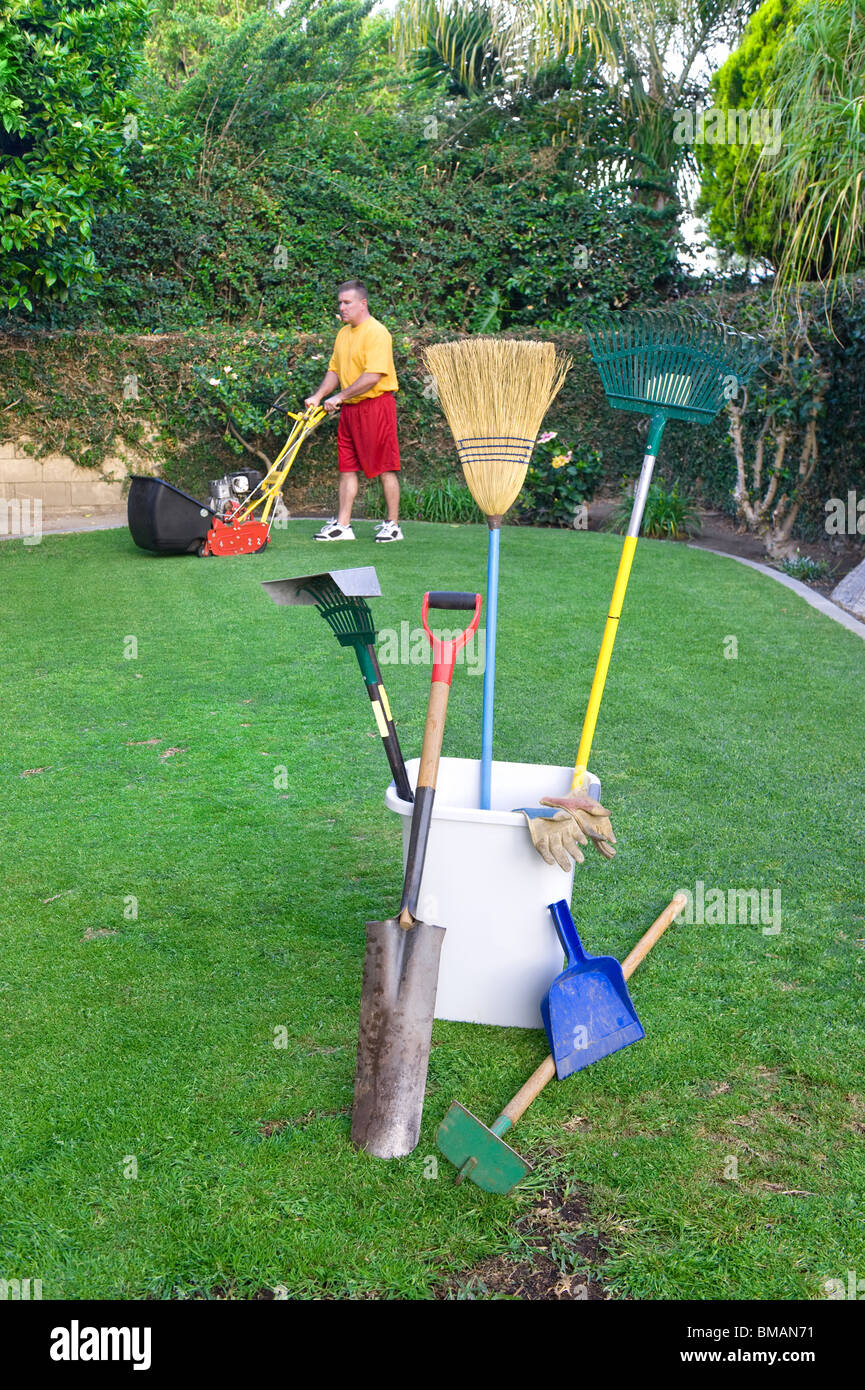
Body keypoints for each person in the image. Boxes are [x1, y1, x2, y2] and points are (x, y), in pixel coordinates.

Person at [305, 281, 403, 542]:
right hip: (350, 410)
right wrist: (319, 396)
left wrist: (339, 396)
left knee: (385, 467)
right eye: (340, 302)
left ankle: (393, 525)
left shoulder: (377, 333)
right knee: (347, 468)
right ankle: (343, 525)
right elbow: (334, 371)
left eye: (347, 303)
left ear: (363, 304)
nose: (342, 307)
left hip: (376, 405)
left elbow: (372, 376)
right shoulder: (343, 334)